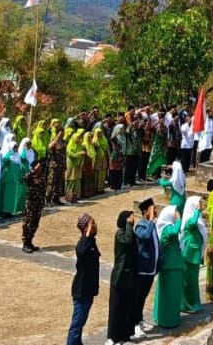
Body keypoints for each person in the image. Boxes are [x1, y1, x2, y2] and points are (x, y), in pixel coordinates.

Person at [66, 213, 100, 345]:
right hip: (81, 291)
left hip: (88, 289)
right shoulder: (83, 243)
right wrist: (87, 233)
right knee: (77, 324)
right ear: (86, 227)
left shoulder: (91, 242)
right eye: (92, 223)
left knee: (81, 322)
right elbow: (80, 251)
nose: (95, 225)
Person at [106, 210, 138, 345]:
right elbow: (128, 241)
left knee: (127, 307)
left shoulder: (131, 233)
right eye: (131, 218)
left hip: (130, 276)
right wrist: (129, 225)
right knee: (116, 307)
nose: (133, 220)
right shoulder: (120, 233)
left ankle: (124, 335)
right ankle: (112, 336)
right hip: (120, 277)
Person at [132, 197, 160, 339]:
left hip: (151, 269)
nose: (155, 211)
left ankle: (140, 320)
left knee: (143, 297)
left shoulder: (152, 224)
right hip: (142, 269)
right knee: (138, 298)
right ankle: (134, 324)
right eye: (152, 209)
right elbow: (146, 236)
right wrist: (151, 220)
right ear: (145, 211)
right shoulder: (141, 226)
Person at [152, 205, 184, 329]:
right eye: (175, 213)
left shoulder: (168, 228)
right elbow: (175, 231)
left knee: (173, 295)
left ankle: (171, 317)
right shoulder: (166, 229)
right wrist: (179, 219)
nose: (176, 214)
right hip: (170, 266)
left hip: (174, 266)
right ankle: (167, 320)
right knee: (169, 295)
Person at [180, 195, 206, 314]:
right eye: (198, 203)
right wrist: (197, 211)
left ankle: (194, 303)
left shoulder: (197, 217)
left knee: (193, 281)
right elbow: (192, 223)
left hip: (195, 253)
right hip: (189, 254)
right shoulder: (189, 218)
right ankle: (187, 305)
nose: (200, 205)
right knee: (188, 281)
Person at [21, 155, 46, 253]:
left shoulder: (41, 176)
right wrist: (33, 171)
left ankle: (30, 241)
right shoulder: (30, 176)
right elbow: (25, 178)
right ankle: (25, 244)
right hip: (31, 204)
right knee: (28, 223)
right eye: (38, 167)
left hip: (38, 204)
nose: (40, 168)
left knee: (35, 224)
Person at [47, 128, 67, 206]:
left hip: (61, 165)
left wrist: (65, 164)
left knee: (59, 183)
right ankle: (48, 200)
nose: (62, 135)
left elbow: (65, 154)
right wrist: (57, 138)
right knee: (51, 183)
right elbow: (49, 147)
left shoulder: (64, 141)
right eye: (61, 133)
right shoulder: (54, 141)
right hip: (54, 165)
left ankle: (56, 199)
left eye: (63, 133)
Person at [65, 129, 85, 204]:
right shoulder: (70, 146)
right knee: (71, 180)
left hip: (78, 165)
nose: (79, 139)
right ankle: (69, 196)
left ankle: (76, 196)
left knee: (77, 180)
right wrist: (79, 153)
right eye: (77, 138)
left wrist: (81, 162)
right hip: (71, 164)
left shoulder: (80, 146)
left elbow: (82, 155)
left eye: (80, 138)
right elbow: (70, 155)